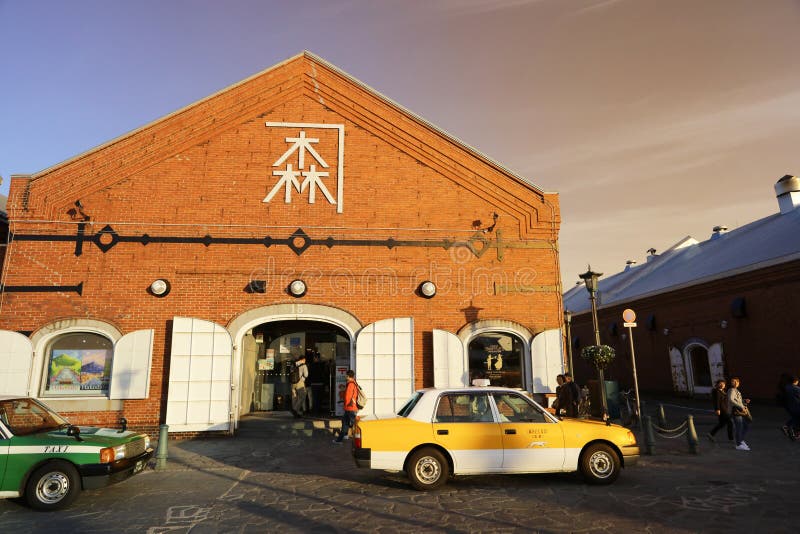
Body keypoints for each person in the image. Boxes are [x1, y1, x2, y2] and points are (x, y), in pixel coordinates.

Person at [333, 370, 358, 444]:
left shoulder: (350, 384)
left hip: (349, 407)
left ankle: (341, 438)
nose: (345, 377)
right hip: (351, 407)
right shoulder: (354, 382)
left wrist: (345, 405)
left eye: (346, 375)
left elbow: (347, 397)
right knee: (345, 422)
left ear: (348, 376)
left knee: (352, 423)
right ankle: (344, 436)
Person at [727, 376, 751, 451]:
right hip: (735, 411)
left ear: (738, 383)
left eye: (735, 381)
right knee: (739, 427)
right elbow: (731, 400)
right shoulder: (731, 390)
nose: (733, 383)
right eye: (732, 381)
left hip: (738, 411)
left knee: (745, 426)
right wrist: (741, 406)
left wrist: (744, 401)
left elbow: (737, 400)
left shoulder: (736, 390)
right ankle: (738, 444)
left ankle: (741, 440)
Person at [782, 375, 800, 440]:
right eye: (797, 381)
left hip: (789, 406)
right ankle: (795, 433)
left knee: (795, 418)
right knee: (797, 419)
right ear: (795, 381)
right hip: (797, 406)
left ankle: (787, 427)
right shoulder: (796, 388)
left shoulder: (787, 387)